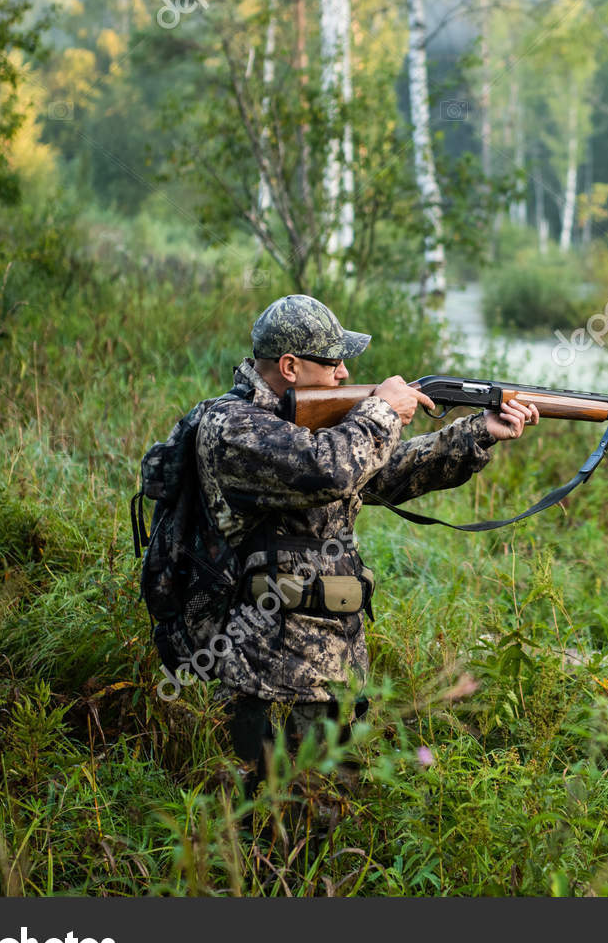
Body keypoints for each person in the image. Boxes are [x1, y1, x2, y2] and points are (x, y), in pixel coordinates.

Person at [194, 294, 538, 829]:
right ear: (290, 366)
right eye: (334, 363)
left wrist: (476, 433)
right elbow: (328, 469)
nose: (346, 373)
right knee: (269, 825)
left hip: (331, 665)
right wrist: (382, 410)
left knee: (323, 817)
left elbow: (384, 470)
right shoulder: (234, 428)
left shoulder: (311, 425)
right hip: (268, 671)